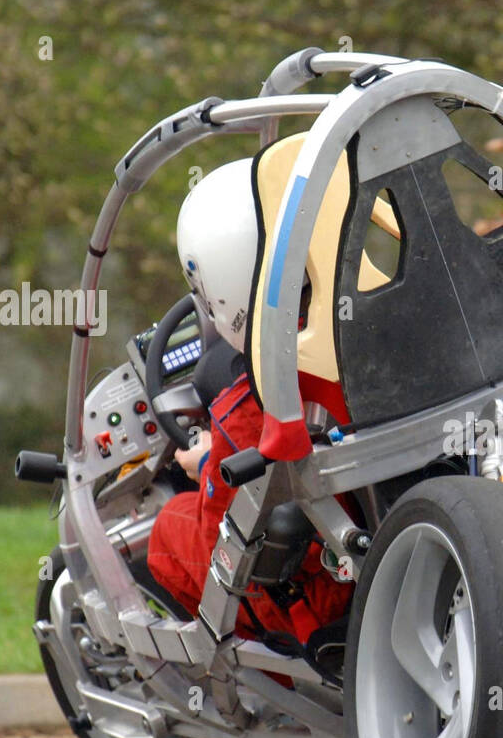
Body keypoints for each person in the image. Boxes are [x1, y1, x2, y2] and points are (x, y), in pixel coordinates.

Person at [146, 159, 351, 644]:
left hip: (317, 599)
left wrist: (205, 462)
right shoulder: (360, 346)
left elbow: (222, 531)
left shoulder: (250, 406)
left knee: (171, 529)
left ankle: (256, 676)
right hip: (375, 548)